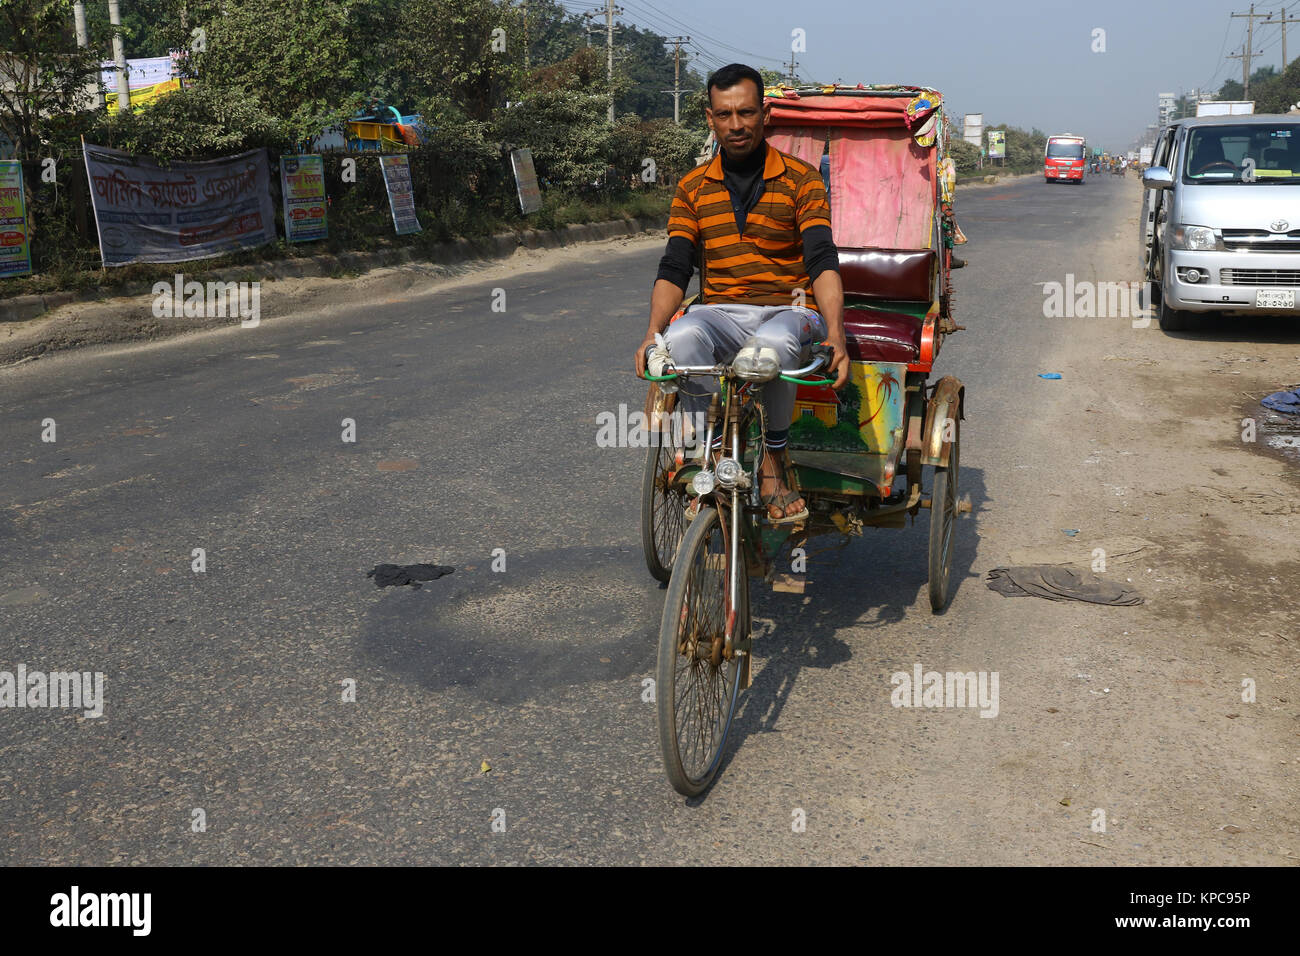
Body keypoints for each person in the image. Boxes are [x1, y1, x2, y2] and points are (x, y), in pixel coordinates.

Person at [634, 63, 849, 524]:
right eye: (725, 114)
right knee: (683, 336)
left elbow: (821, 259)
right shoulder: (692, 188)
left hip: (789, 312)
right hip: (720, 313)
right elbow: (675, 265)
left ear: (765, 114)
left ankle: (773, 462)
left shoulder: (802, 180)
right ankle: (708, 455)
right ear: (710, 118)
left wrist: (837, 334)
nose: (737, 125)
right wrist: (652, 332)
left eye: (747, 113)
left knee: (775, 344)